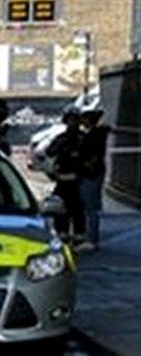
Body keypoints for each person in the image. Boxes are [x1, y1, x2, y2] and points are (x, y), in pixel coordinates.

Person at [47, 107, 84, 243]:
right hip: (62, 178)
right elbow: (50, 152)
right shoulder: (61, 139)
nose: (72, 123)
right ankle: (62, 232)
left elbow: (88, 158)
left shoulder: (83, 139)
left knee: (78, 208)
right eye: (69, 120)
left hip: (78, 179)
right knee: (60, 206)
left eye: (75, 120)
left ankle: (79, 234)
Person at [78, 102, 110, 250]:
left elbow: (92, 157)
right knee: (92, 207)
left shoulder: (93, 137)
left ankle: (91, 238)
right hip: (95, 173)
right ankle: (91, 237)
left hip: (90, 174)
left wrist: (87, 166)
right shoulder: (98, 135)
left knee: (89, 207)